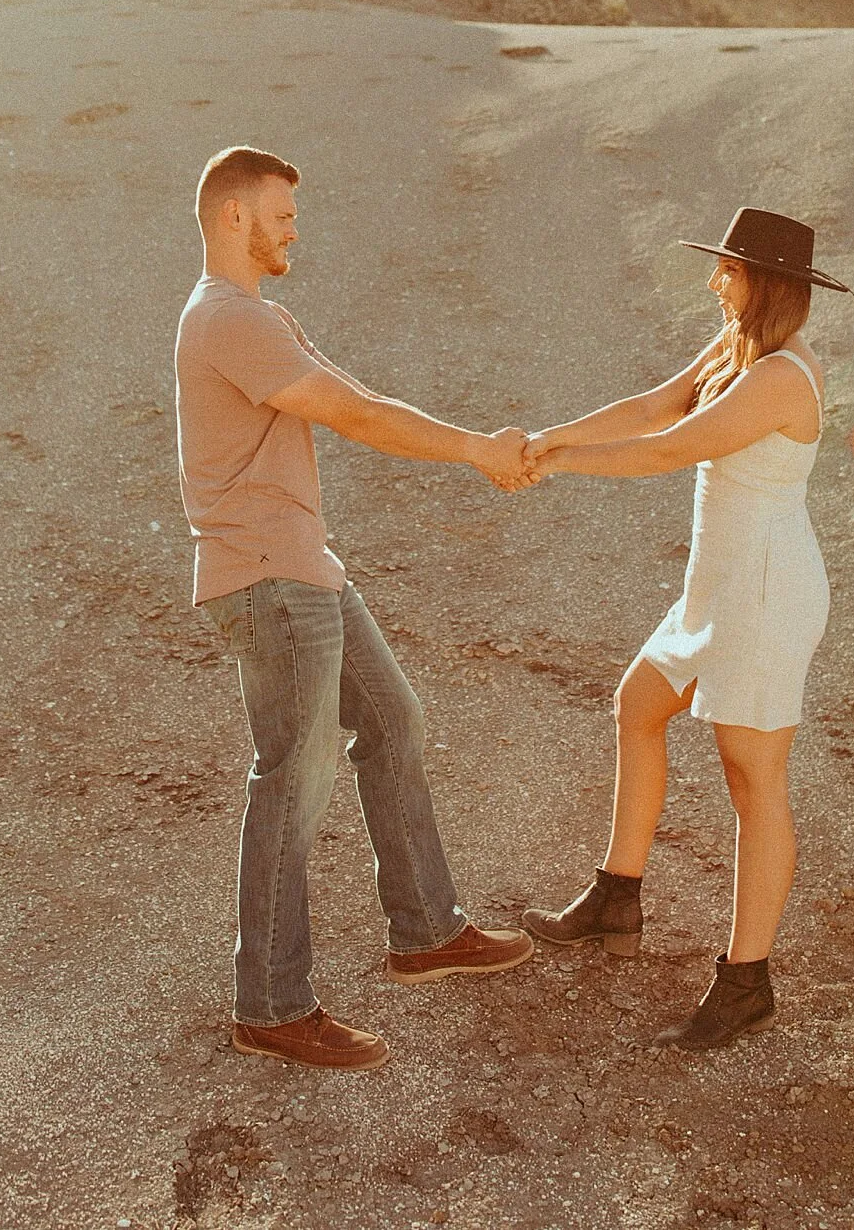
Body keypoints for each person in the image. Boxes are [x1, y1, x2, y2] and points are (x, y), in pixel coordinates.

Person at [175, 144, 534, 1073]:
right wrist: (477, 454)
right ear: (232, 219)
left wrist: (481, 444)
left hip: (307, 570)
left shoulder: (262, 315)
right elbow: (356, 418)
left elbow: (363, 397)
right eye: (281, 212)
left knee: (395, 721)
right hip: (269, 578)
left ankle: (424, 929)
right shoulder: (226, 320)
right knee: (292, 780)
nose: (296, 226)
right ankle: (272, 1005)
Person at [517, 206, 851, 1051]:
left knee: (752, 778)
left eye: (728, 270)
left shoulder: (782, 376)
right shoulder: (736, 348)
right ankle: (616, 898)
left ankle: (746, 982)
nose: (714, 281)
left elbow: (672, 446)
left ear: (764, 282)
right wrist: (552, 436)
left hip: (768, 593)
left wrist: (558, 466)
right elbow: (656, 403)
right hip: (717, 587)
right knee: (639, 705)